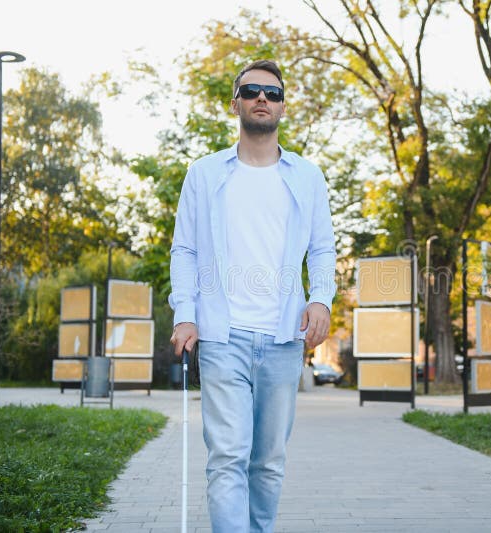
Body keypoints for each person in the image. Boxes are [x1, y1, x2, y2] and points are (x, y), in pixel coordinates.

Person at [168, 59, 336, 532]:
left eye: (274, 93)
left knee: (268, 463)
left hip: (284, 339)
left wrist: (321, 299)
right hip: (222, 337)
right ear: (235, 102)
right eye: (253, 90)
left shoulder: (308, 176)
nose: (264, 98)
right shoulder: (203, 174)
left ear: (283, 106)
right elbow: (184, 248)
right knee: (227, 458)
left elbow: (323, 249)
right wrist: (186, 314)